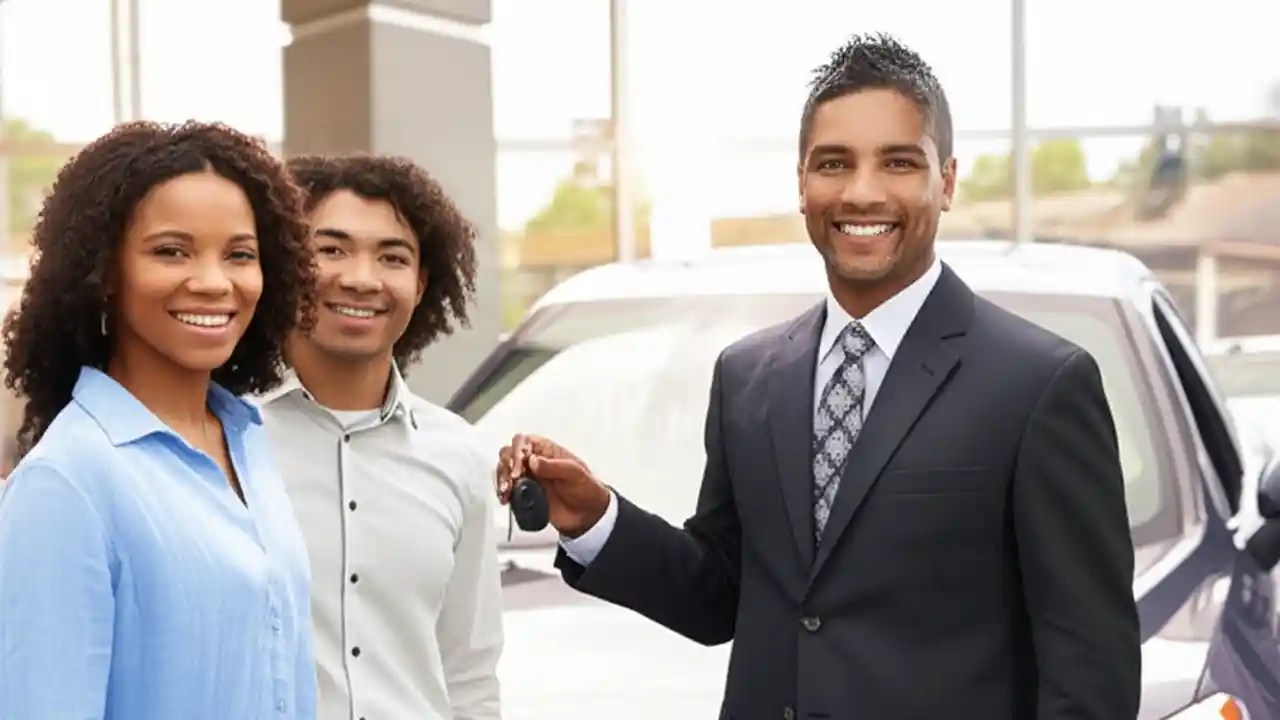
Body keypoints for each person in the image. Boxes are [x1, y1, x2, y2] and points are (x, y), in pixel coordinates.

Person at [498, 33, 1142, 719]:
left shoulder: (1040, 386)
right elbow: (722, 594)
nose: (861, 192)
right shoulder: (747, 376)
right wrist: (596, 519)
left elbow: (1089, 680)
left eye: (897, 163)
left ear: (945, 181)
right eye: (834, 163)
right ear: (801, 183)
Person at [0, 120, 319, 719]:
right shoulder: (66, 483)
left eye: (240, 255)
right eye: (171, 251)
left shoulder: (249, 442)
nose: (212, 281)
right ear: (103, 274)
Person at [258, 154, 502, 720]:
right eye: (331, 249)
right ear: (286, 262)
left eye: (392, 257)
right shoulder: (217, 438)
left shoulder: (458, 455)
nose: (362, 278)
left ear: (420, 284)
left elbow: (469, 671)